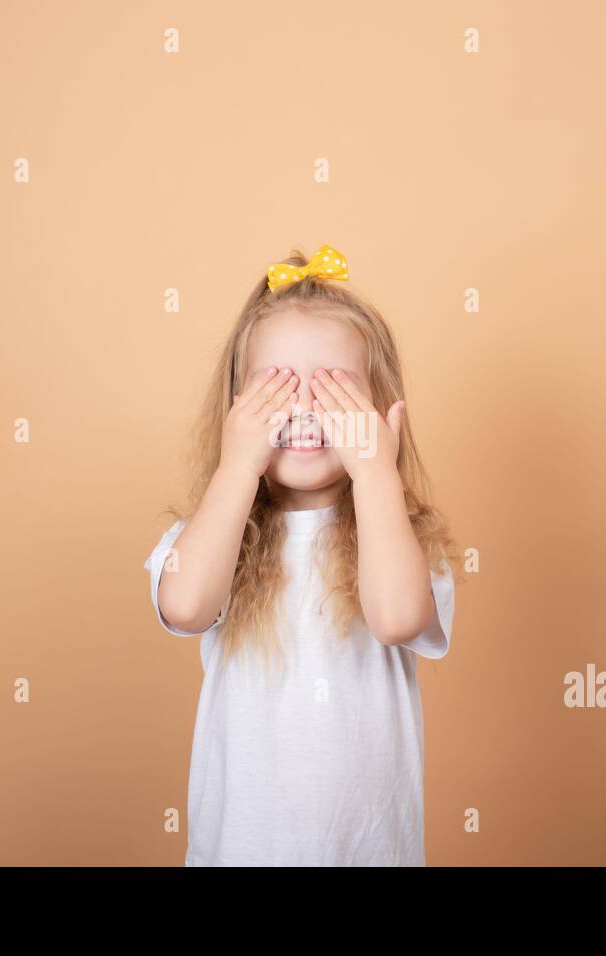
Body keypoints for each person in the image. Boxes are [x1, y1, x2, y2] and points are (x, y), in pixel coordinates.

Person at [143, 243, 457, 865]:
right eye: (278, 387)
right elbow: (184, 606)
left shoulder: (399, 535)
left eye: (335, 388)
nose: (306, 409)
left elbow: (396, 617)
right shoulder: (212, 534)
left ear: (379, 409)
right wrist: (237, 467)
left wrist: (375, 476)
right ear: (236, 409)